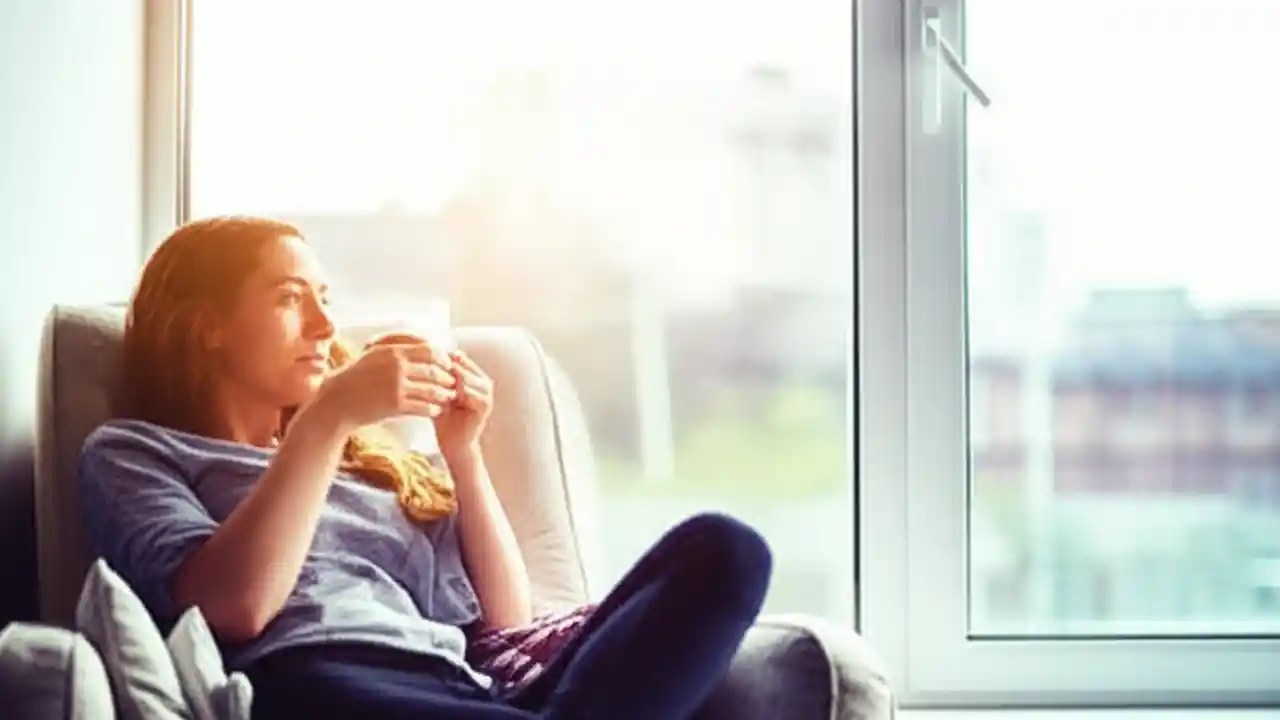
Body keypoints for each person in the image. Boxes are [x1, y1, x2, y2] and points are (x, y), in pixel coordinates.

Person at [77, 216, 773, 719]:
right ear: (210, 327)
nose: (325, 326)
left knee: (726, 551)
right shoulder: (136, 452)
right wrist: (326, 422)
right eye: (291, 299)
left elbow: (505, 618)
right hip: (321, 681)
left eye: (326, 299)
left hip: (463, 684)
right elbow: (233, 608)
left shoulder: (374, 469)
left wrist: (462, 453)